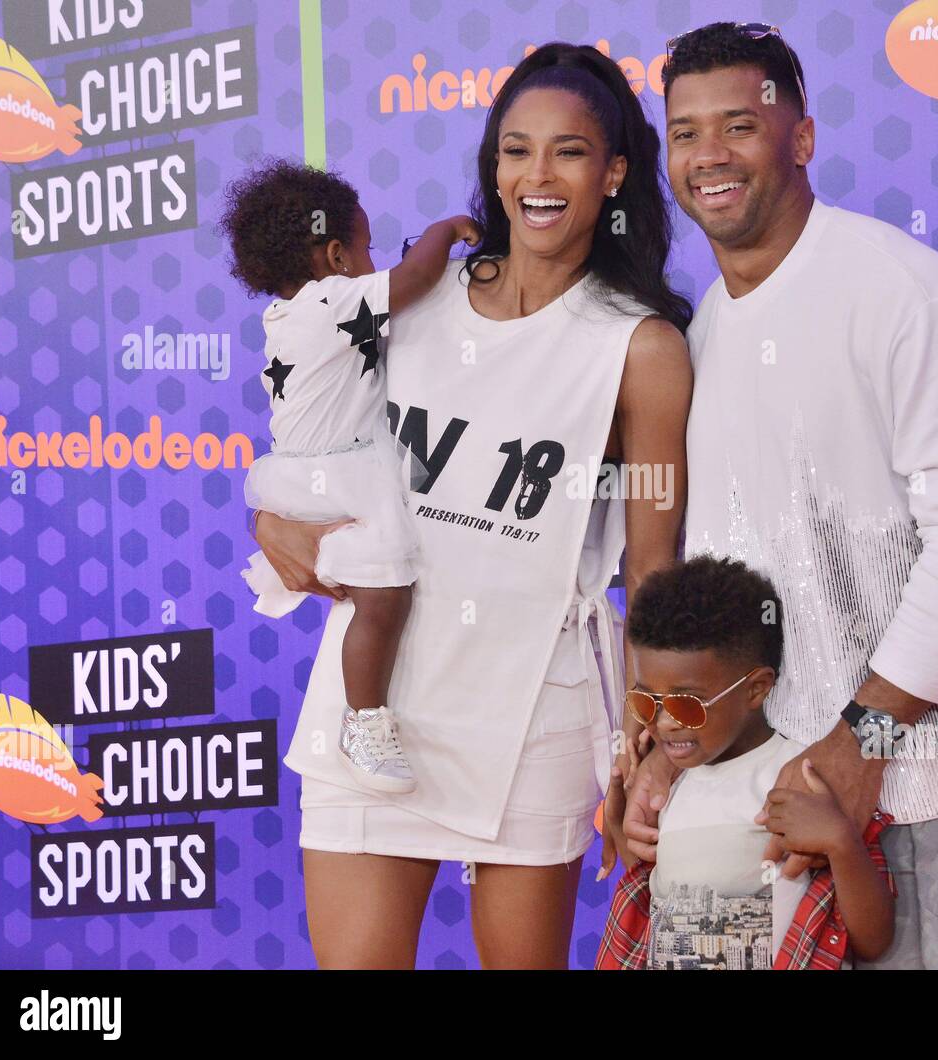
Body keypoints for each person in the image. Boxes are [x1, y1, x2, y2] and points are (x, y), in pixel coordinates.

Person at [615, 22, 938, 969]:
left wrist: (863, 737)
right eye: (685, 131)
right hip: (779, 803)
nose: (709, 155)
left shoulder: (903, 292)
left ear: (800, 139)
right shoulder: (697, 332)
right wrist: (666, 750)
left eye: (741, 125)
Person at [251, 43, 693, 968]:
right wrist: (269, 517)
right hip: (376, 705)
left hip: (536, 704)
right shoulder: (405, 301)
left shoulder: (641, 349)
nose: (536, 176)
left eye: (568, 152)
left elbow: (653, 565)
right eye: (514, 150)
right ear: (492, 166)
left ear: (612, 173)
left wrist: (653, 741)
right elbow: (311, 437)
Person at [220, 160, 478, 795]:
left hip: (304, 472)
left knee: (373, 587)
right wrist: (443, 233)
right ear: (335, 255)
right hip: (336, 472)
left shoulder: (289, 316)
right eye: (365, 247)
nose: (373, 261)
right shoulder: (333, 301)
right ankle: (364, 718)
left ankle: (365, 713)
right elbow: (416, 280)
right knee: (387, 589)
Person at [596, 555, 895, 970]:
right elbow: (657, 898)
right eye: (647, 701)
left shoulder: (799, 777)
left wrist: (841, 842)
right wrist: (617, 822)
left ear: (756, 689)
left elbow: (873, 940)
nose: (664, 723)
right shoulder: (667, 785)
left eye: (687, 705)